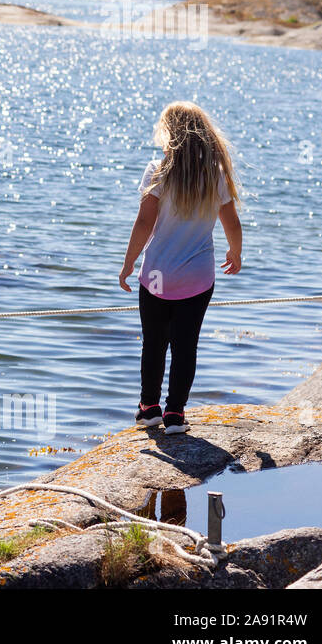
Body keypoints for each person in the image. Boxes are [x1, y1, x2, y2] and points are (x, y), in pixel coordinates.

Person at [119, 102, 242, 435]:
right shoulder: (214, 175)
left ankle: (149, 408)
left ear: (169, 134)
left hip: (158, 276)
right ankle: (175, 413)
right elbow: (231, 221)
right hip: (198, 278)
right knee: (186, 346)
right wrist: (236, 252)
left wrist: (129, 263)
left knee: (154, 344)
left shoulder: (158, 171)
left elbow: (145, 221)